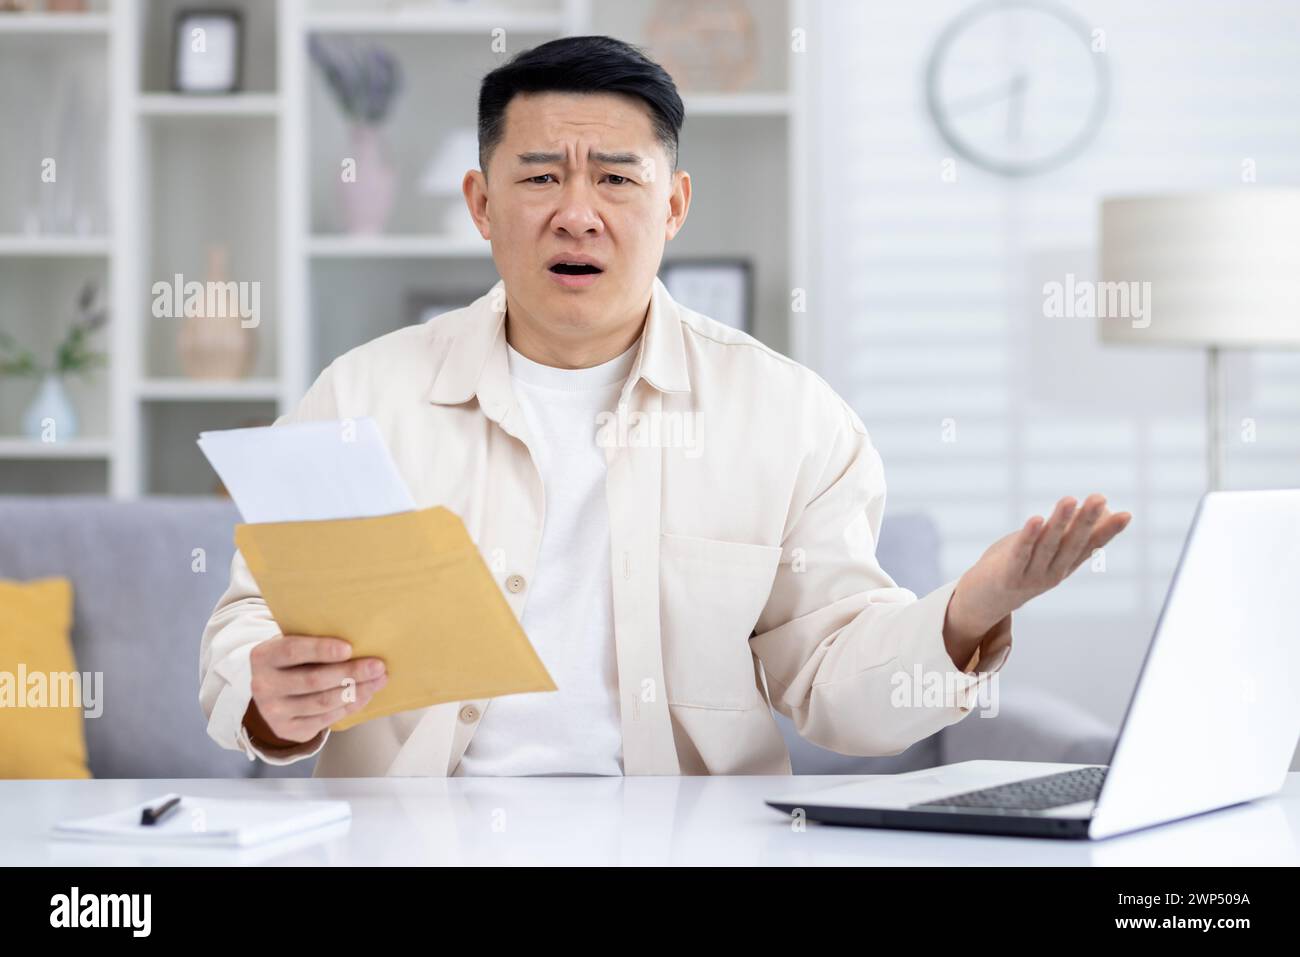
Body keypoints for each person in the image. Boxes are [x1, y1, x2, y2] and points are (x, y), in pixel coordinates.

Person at [200, 35, 1130, 776]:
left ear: (675, 203)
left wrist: (966, 615)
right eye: (538, 177)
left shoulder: (790, 417)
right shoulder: (363, 396)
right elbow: (251, 618)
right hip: (407, 842)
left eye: (616, 176)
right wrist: (266, 700)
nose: (577, 212)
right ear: (481, 204)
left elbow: (836, 690)